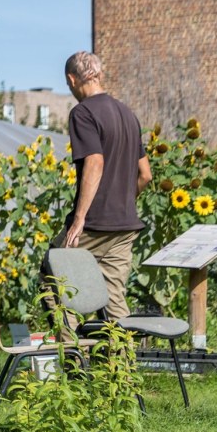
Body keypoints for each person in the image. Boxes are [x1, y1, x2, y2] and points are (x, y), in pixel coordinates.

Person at [54, 50, 153, 319]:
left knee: (55, 282)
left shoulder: (83, 113)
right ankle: (120, 361)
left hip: (95, 225)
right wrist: (122, 203)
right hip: (125, 225)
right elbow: (145, 175)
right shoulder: (127, 115)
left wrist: (79, 218)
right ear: (99, 74)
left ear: (72, 79)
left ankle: (74, 358)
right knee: (113, 298)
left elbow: (94, 162)